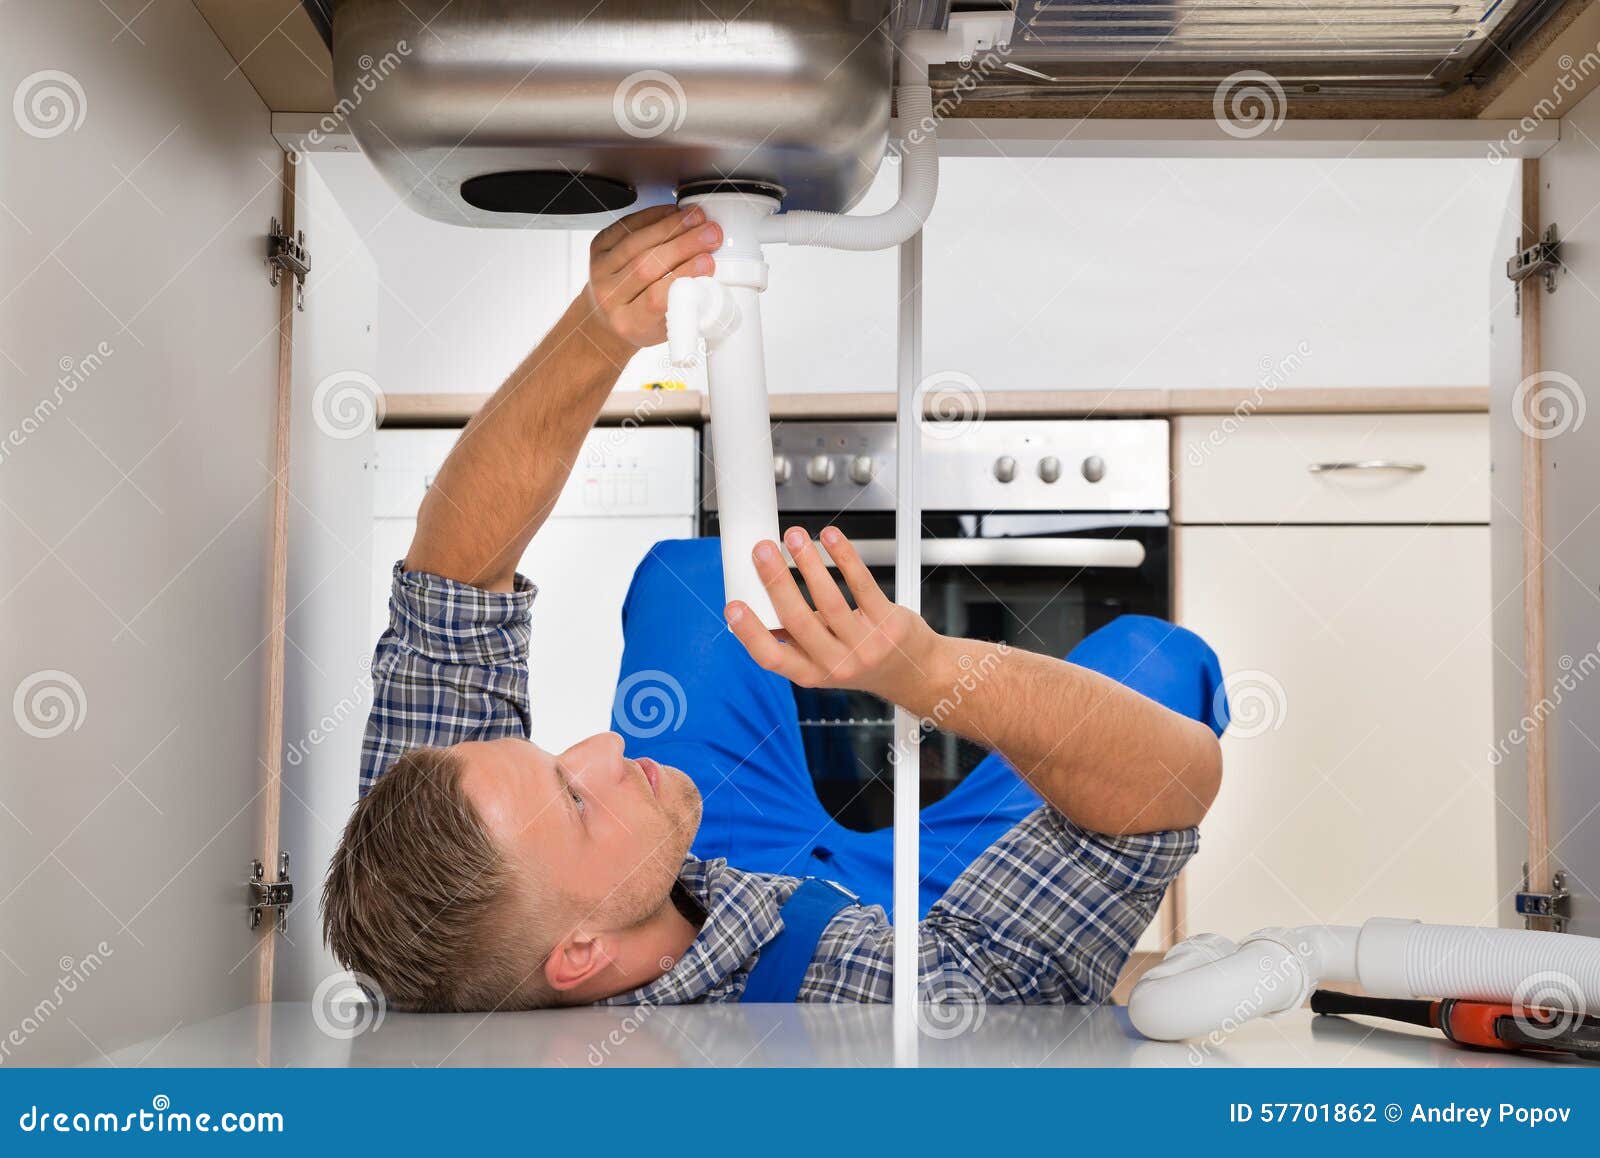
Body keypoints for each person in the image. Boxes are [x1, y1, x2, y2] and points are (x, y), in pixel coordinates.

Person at [321, 205, 1224, 1012]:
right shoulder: (891, 995)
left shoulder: (437, 896)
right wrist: (926, 671)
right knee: (1159, 666)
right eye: (576, 796)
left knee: (694, 581)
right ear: (580, 952)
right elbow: (1172, 786)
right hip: (934, 911)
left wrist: (602, 326)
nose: (600, 747)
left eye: (556, 761)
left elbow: (452, 588)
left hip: (689, 850)